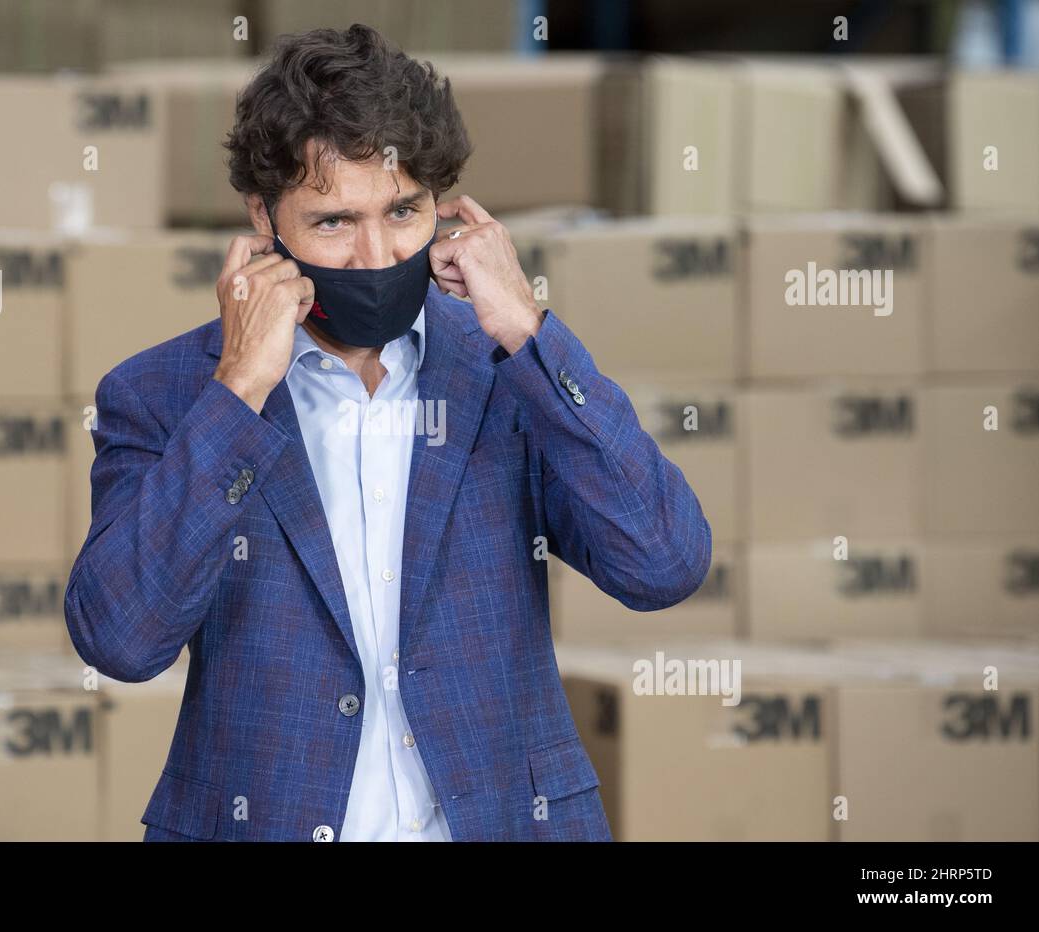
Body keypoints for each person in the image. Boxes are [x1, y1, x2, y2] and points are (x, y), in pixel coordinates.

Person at [64, 24, 711, 842]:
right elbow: (120, 639)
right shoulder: (163, 394)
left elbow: (664, 561)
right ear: (263, 219)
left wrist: (529, 332)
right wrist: (239, 391)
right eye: (334, 222)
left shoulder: (506, 373)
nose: (376, 256)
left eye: (404, 211)